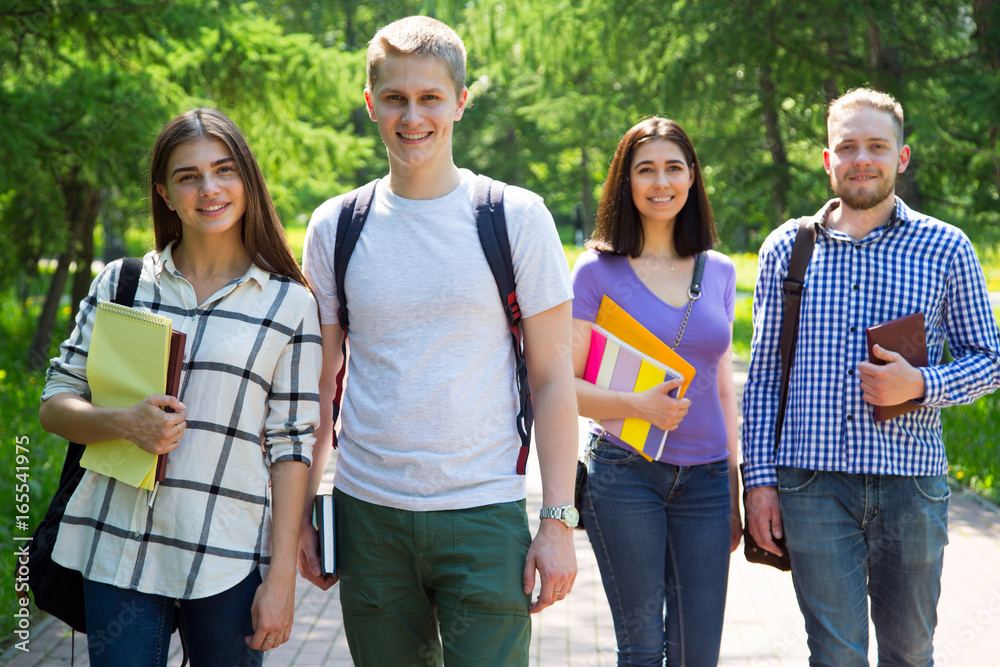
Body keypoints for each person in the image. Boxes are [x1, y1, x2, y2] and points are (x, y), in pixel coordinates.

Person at [296, 15, 579, 667]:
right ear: (372, 104)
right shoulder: (336, 225)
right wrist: (306, 516)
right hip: (368, 515)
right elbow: (319, 383)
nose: (412, 116)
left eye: (429, 98)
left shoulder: (515, 216)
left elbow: (553, 379)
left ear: (460, 101)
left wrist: (557, 521)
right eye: (395, 98)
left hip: (484, 515)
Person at [38, 108, 321, 667]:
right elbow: (55, 405)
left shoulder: (290, 303)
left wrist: (281, 578)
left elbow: (292, 447)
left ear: (247, 180)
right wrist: (125, 423)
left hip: (228, 560)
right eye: (188, 176)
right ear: (166, 193)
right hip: (118, 550)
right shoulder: (123, 284)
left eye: (224, 170)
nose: (208, 188)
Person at [742, 88, 1000, 666]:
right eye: (848, 146)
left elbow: (991, 358)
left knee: (910, 654)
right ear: (828, 160)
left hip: (911, 484)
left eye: (877, 146)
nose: (863, 158)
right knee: (835, 656)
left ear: (901, 158)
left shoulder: (946, 248)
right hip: (810, 485)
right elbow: (761, 378)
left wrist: (922, 384)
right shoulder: (787, 248)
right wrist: (757, 483)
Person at [570, 117, 742, 667]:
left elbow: (720, 383)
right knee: (641, 648)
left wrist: (737, 482)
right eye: (646, 169)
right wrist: (636, 407)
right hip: (624, 473)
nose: (660, 181)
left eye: (673, 168)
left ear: (692, 178)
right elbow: (561, 388)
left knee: (698, 654)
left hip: (709, 482)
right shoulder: (595, 271)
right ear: (627, 181)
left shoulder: (717, 270)